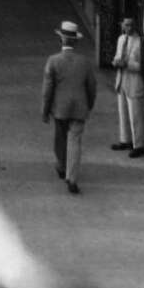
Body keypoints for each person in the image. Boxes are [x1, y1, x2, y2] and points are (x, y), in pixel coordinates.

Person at [40, 20, 97, 195]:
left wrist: (45, 110)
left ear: (61, 40)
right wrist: (88, 104)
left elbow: (47, 89)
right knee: (75, 141)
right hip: (80, 106)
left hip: (60, 107)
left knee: (60, 137)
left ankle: (62, 166)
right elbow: (92, 87)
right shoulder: (85, 62)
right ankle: (72, 178)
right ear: (76, 42)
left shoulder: (53, 61)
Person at [110, 18, 144, 158]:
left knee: (135, 115)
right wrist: (116, 61)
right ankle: (125, 140)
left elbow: (142, 66)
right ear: (122, 25)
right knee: (123, 113)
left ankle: (138, 145)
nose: (128, 27)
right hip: (121, 79)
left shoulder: (140, 42)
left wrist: (126, 64)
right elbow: (117, 55)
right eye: (126, 24)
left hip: (134, 81)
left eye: (131, 25)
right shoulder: (121, 39)